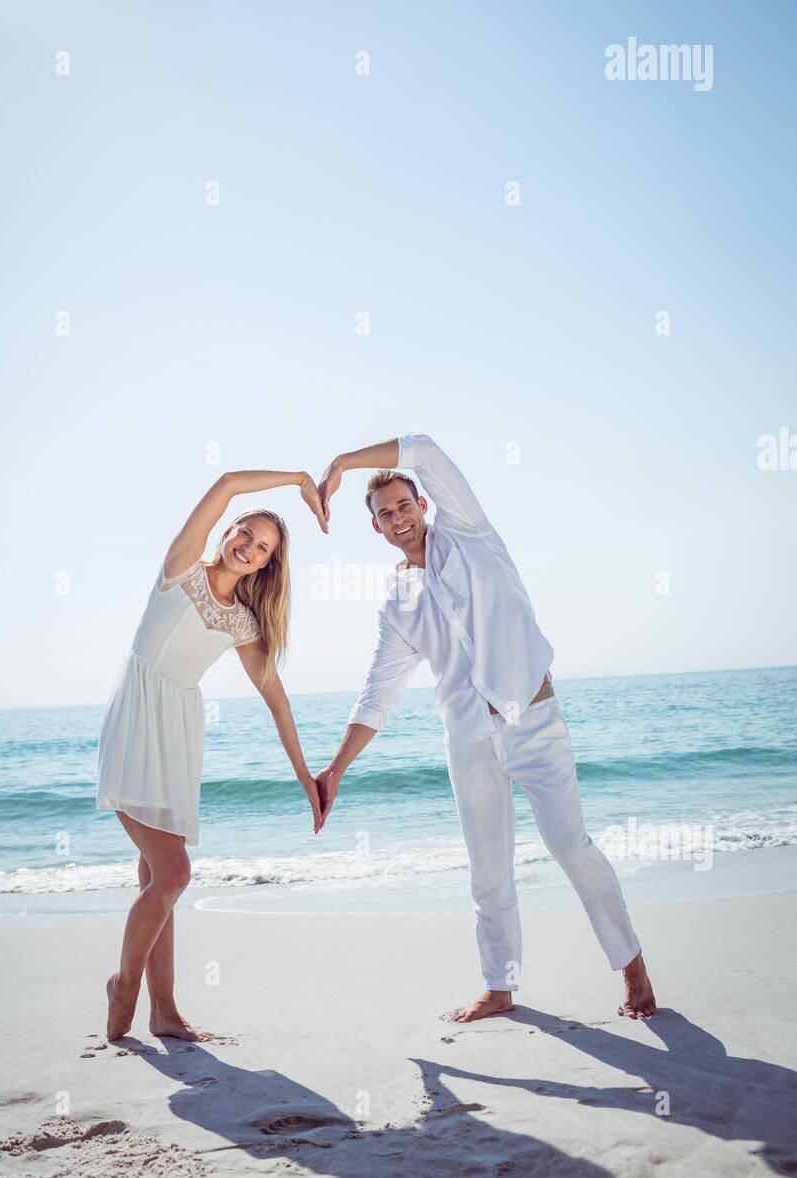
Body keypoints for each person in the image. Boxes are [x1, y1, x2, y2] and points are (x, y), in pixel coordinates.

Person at [314, 433, 656, 1023]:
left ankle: (634, 970)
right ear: (375, 528)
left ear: (422, 505)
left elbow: (420, 448)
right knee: (488, 870)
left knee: (569, 845)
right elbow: (379, 694)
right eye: (383, 514)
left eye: (403, 505)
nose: (396, 518)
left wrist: (343, 462)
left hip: (534, 717)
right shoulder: (396, 601)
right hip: (468, 738)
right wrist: (335, 769)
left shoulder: (470, 531)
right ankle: (500, 987)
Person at [97, 466, 328, 1042]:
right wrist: (298, 478)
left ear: (267, 566)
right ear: (227, 532)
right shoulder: (181, 567)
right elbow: (226, 482)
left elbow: (277, 701)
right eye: (245, 534)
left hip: (179, 737)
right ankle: (124, 984)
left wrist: (307, 777)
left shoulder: (243, 623)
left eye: (263, 549)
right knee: (173, 874)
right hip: (136, 721)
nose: (248, 548)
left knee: (157, 876)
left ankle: (164, 1011)